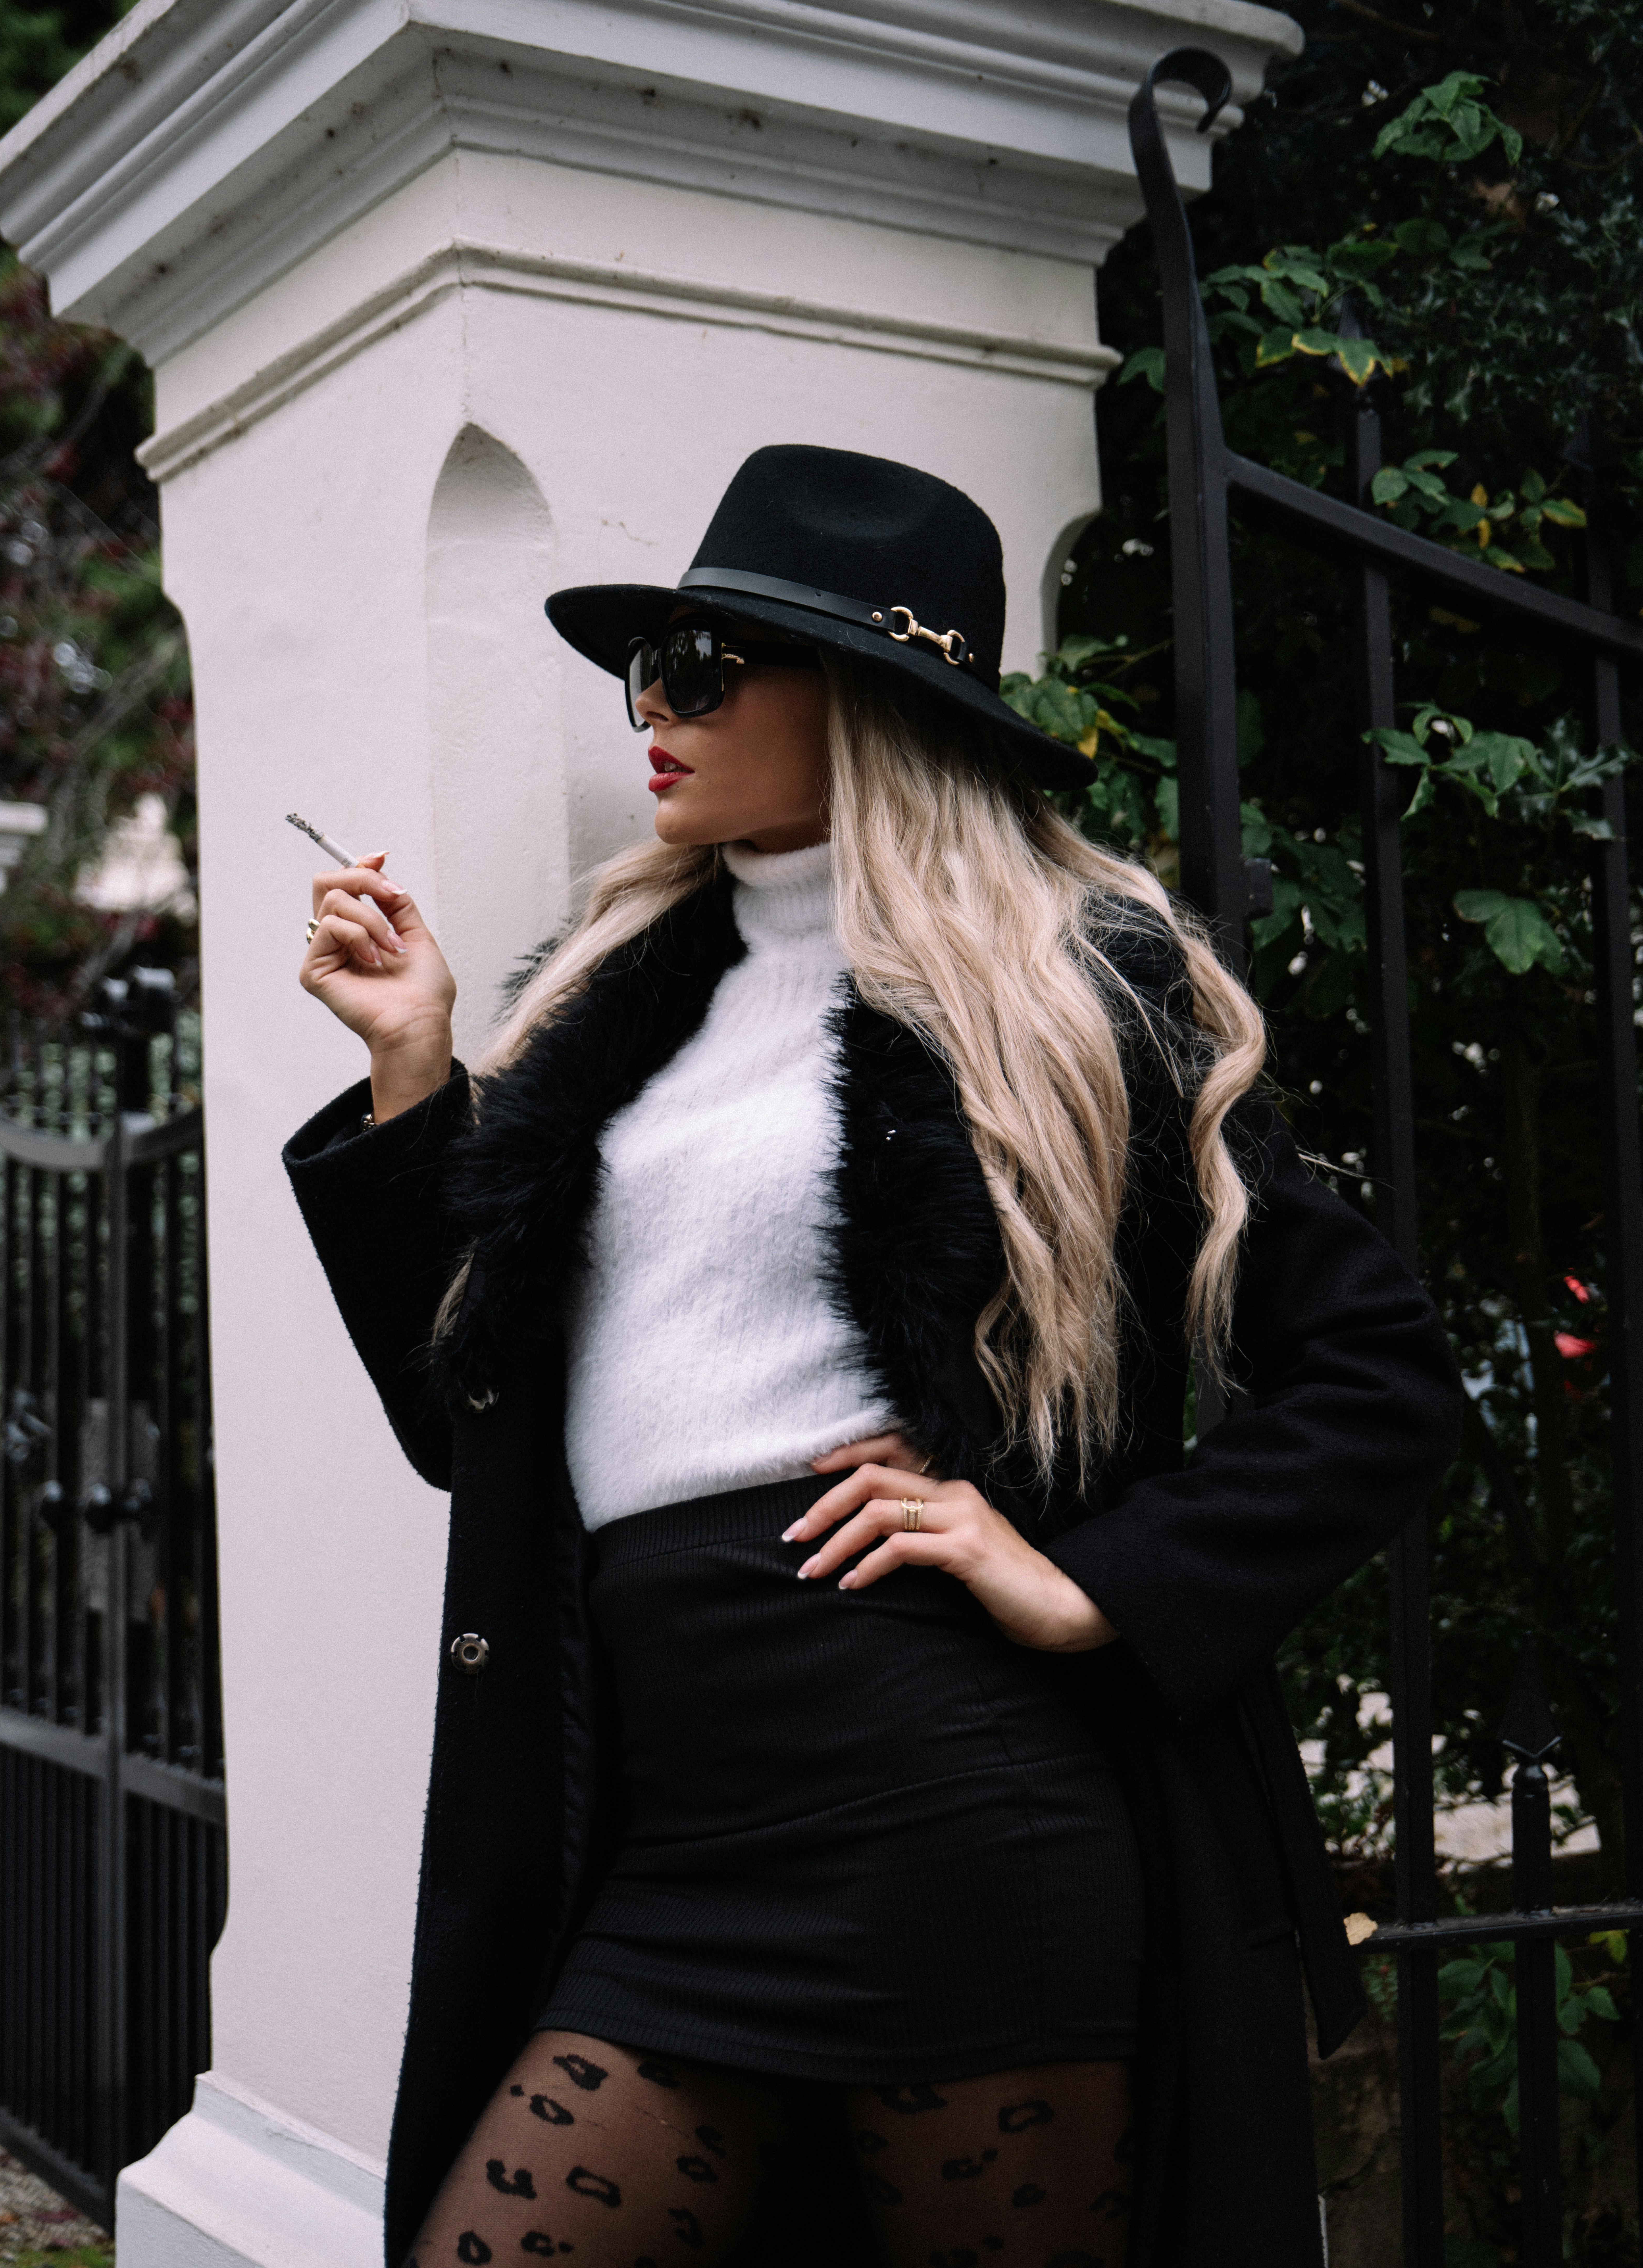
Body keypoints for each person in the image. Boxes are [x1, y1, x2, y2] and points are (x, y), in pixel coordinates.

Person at [285, 445, 1461, 2268]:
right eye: (647, 667)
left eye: (705, 664)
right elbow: (473, 1419)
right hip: (667, 1824)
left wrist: (1094, 1585)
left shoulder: (1073, 990)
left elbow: (1378, 1370)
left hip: (948, 1806)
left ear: (873, 703)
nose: (654, 710)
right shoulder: (615, 996)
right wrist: (418, 1073)